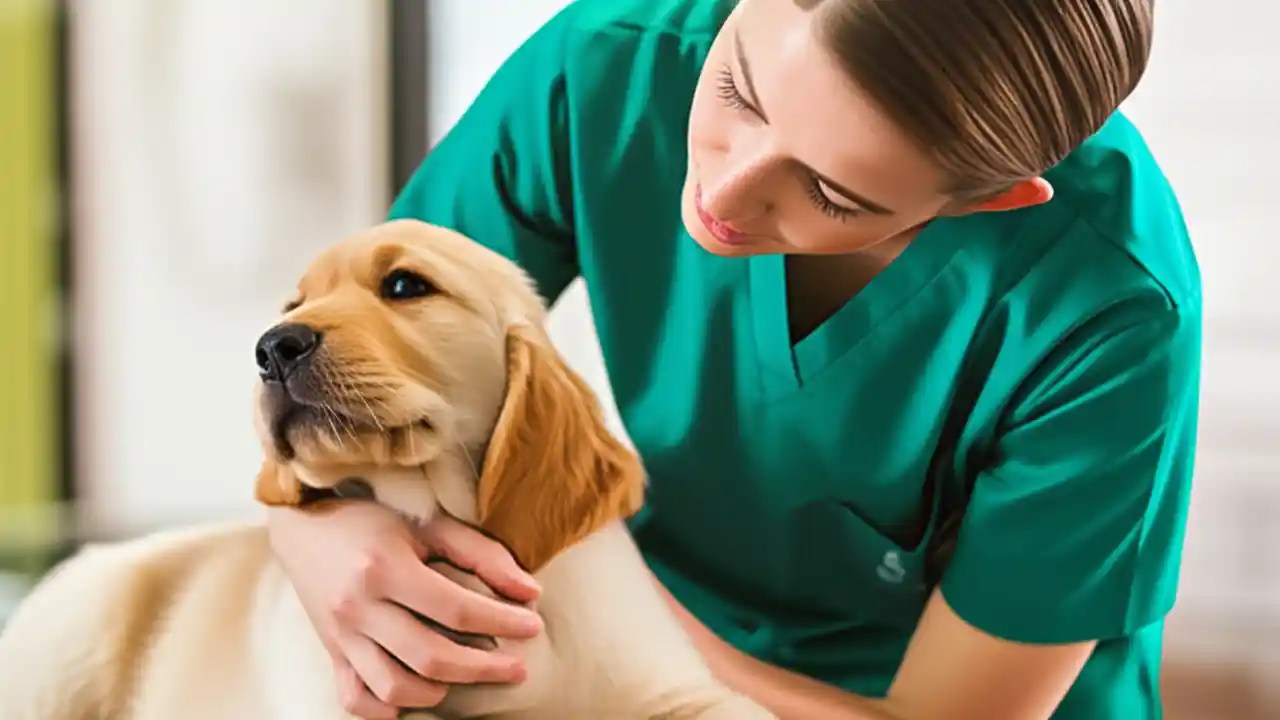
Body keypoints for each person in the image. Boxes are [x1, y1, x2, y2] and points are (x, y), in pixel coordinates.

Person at [267, 0, 1201, 717]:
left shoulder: (1114, 311)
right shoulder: (608, 66)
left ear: (987, 202)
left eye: (831, 193)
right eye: (737, 93)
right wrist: (310, 530)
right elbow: (356, 352)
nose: (727, 190)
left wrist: (611, 623)